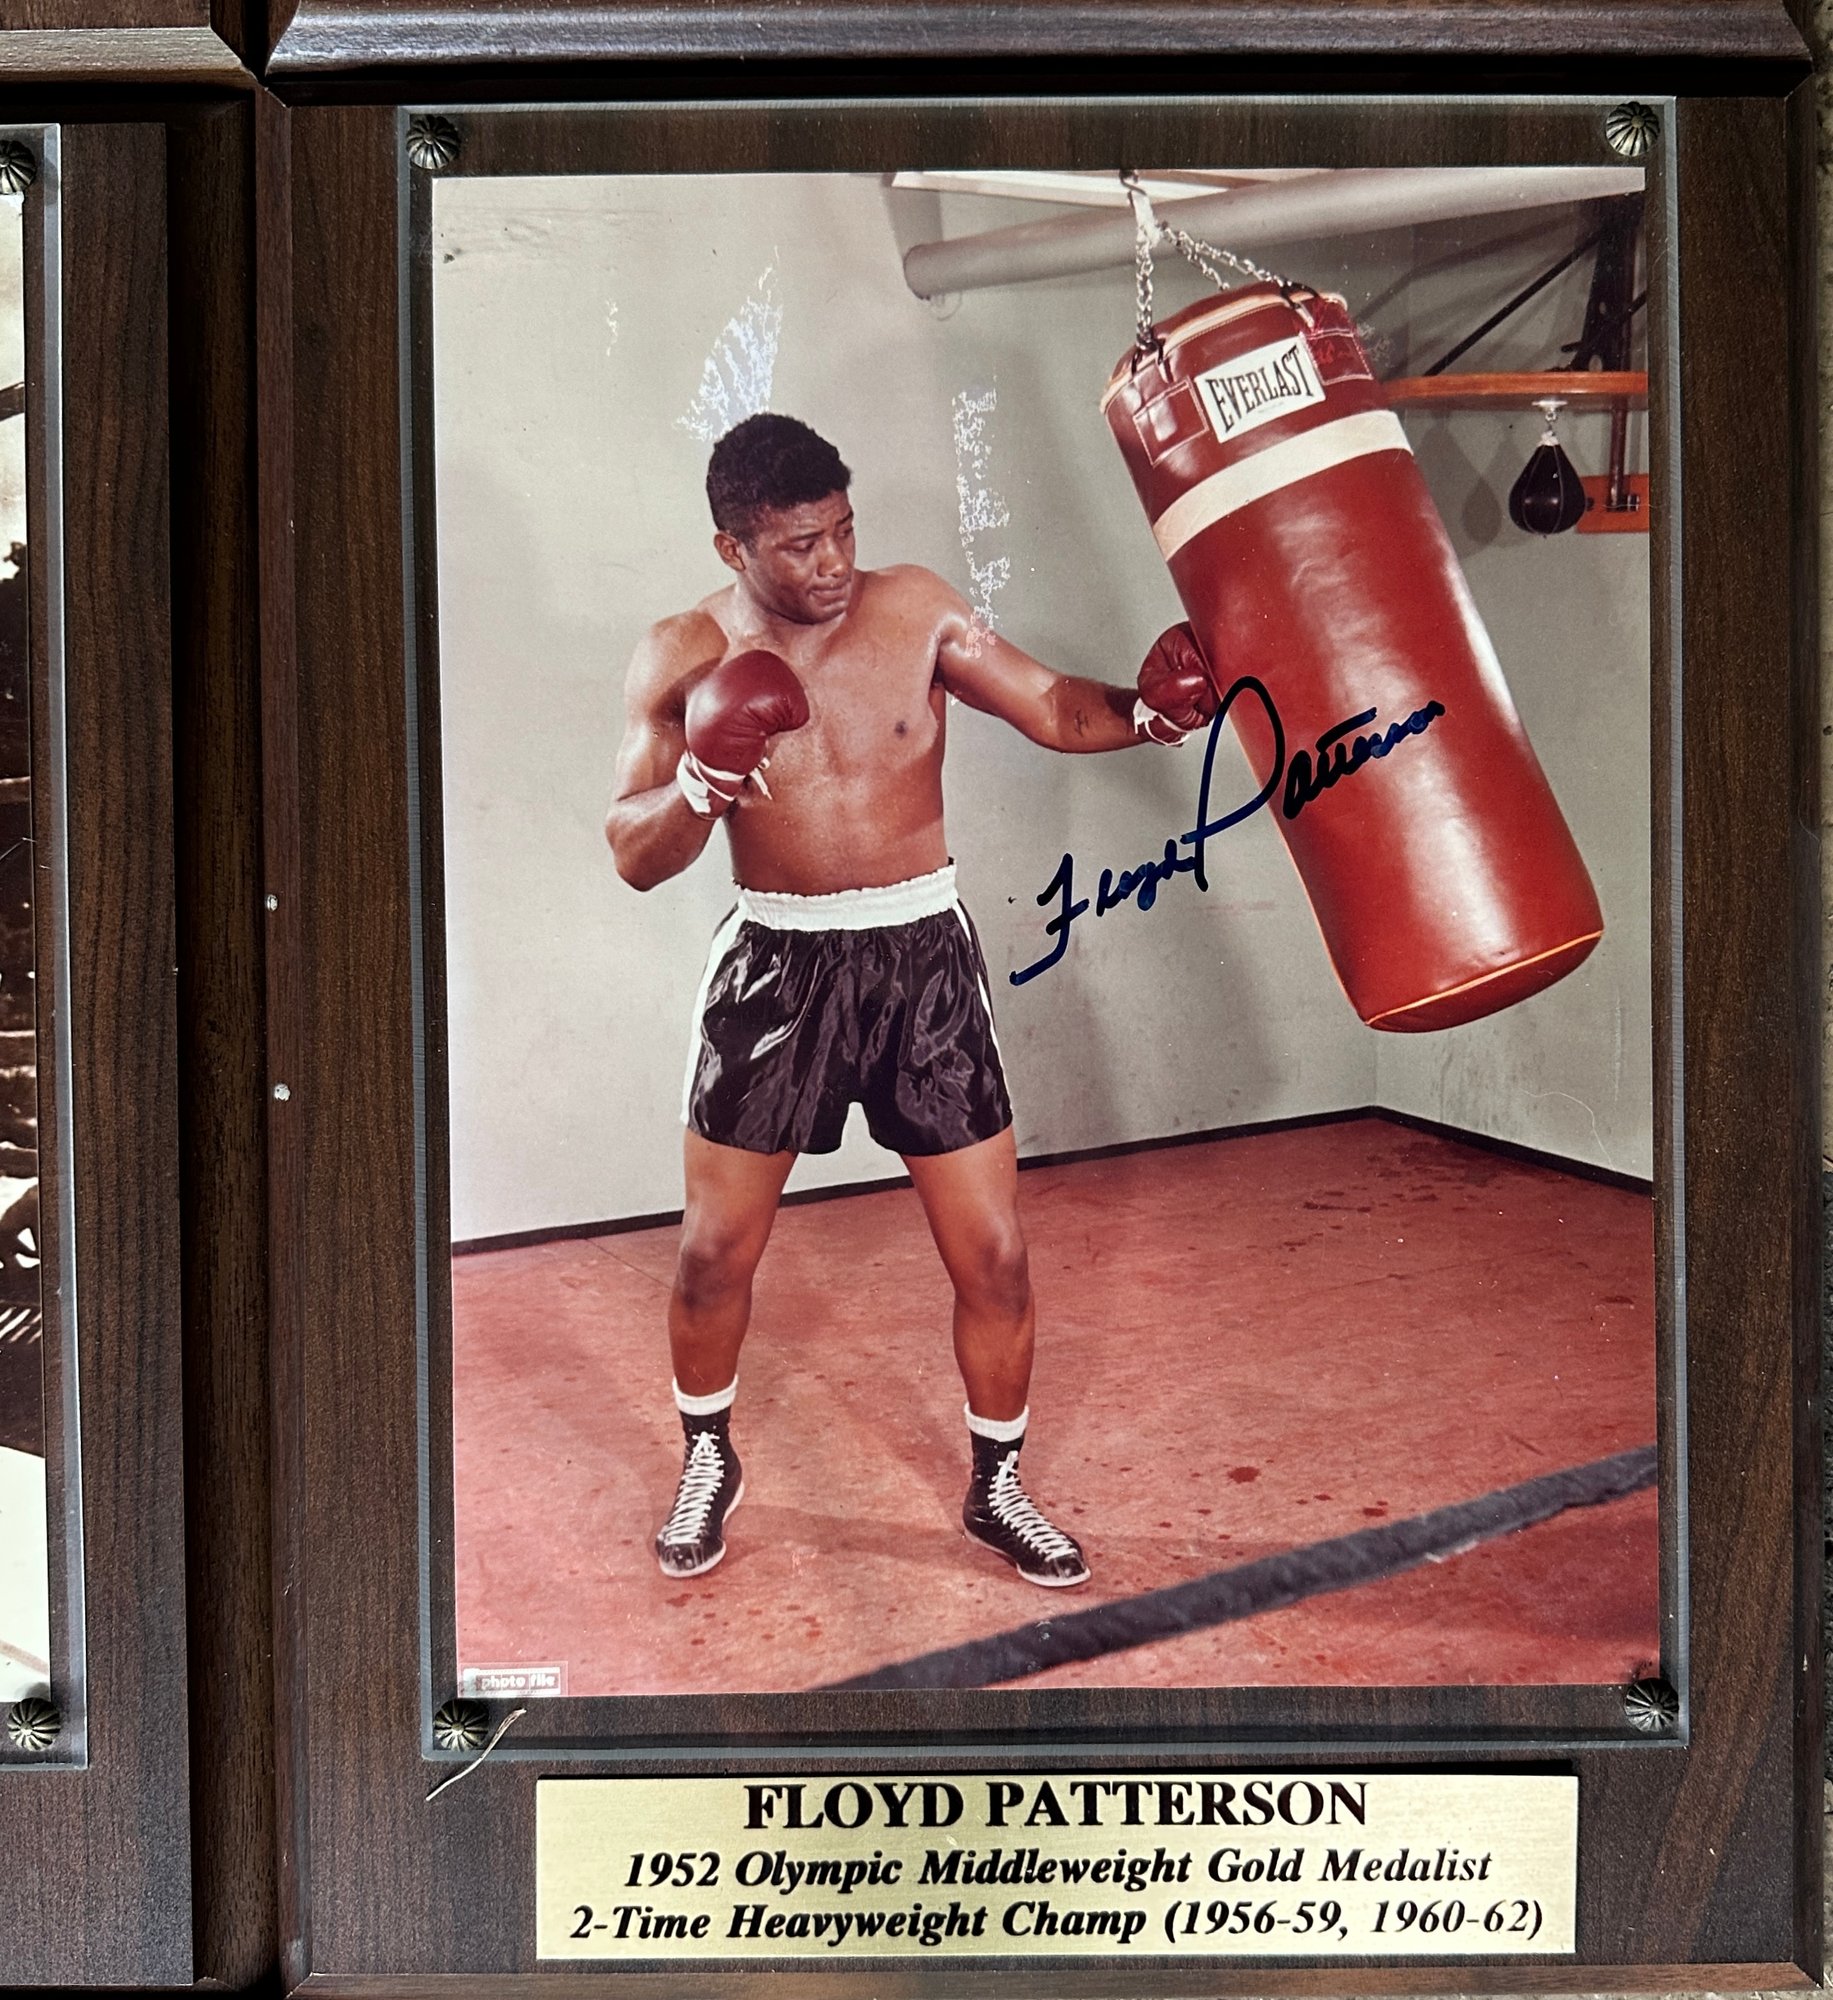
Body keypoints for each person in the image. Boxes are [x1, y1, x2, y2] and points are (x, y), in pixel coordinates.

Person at [604, 413, 1212, 1589]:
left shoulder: (918, 606)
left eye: (842, 532)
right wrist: (702, 773)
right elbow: (633, 851)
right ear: (733, 547)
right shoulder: (679, 652)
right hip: (779, 964)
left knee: (994, 1253)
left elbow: (1051, 706)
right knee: (714, 1251)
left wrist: (1148, 710)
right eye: (796, 546)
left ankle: (998, 1483)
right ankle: (707, 1457)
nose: (830, 564)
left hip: (921, 955)